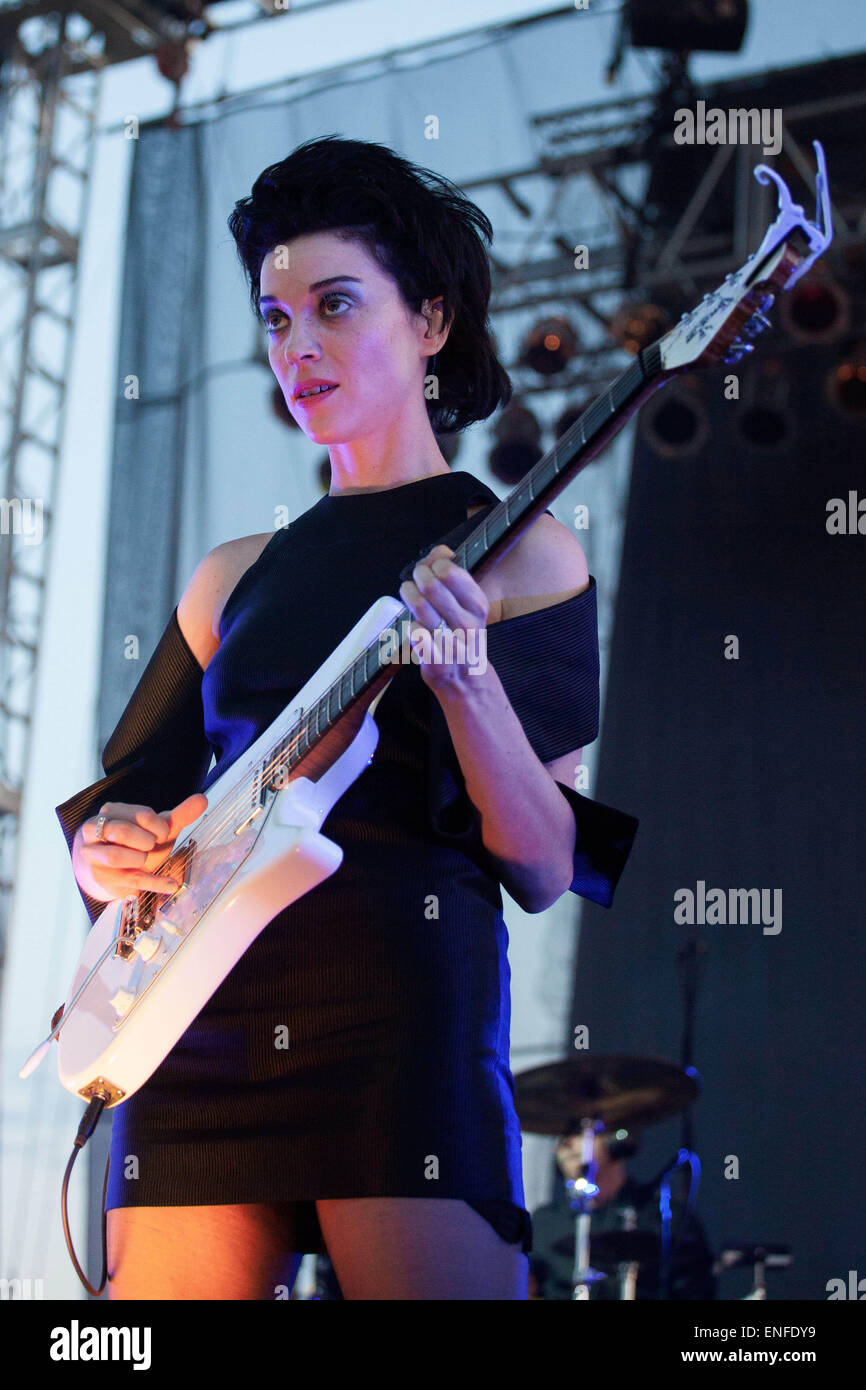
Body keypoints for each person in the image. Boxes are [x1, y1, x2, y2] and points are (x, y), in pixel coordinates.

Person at [54, 135, 639, 1301]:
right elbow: (122, 816)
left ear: (429, 322)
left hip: (398, 1019)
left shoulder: (521, 549)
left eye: (332, 304)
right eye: (275, 320)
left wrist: (468, 684)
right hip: (196, 1025)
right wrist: (102, 846)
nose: (297, 346)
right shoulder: (232, 577)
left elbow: (541, 864)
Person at [529, 1132, 716, 1300]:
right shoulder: (543, 1222)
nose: (566, 1143)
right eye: (561, 1135)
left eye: (578, 1131)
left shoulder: (667, 1218)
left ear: (617, 1140)